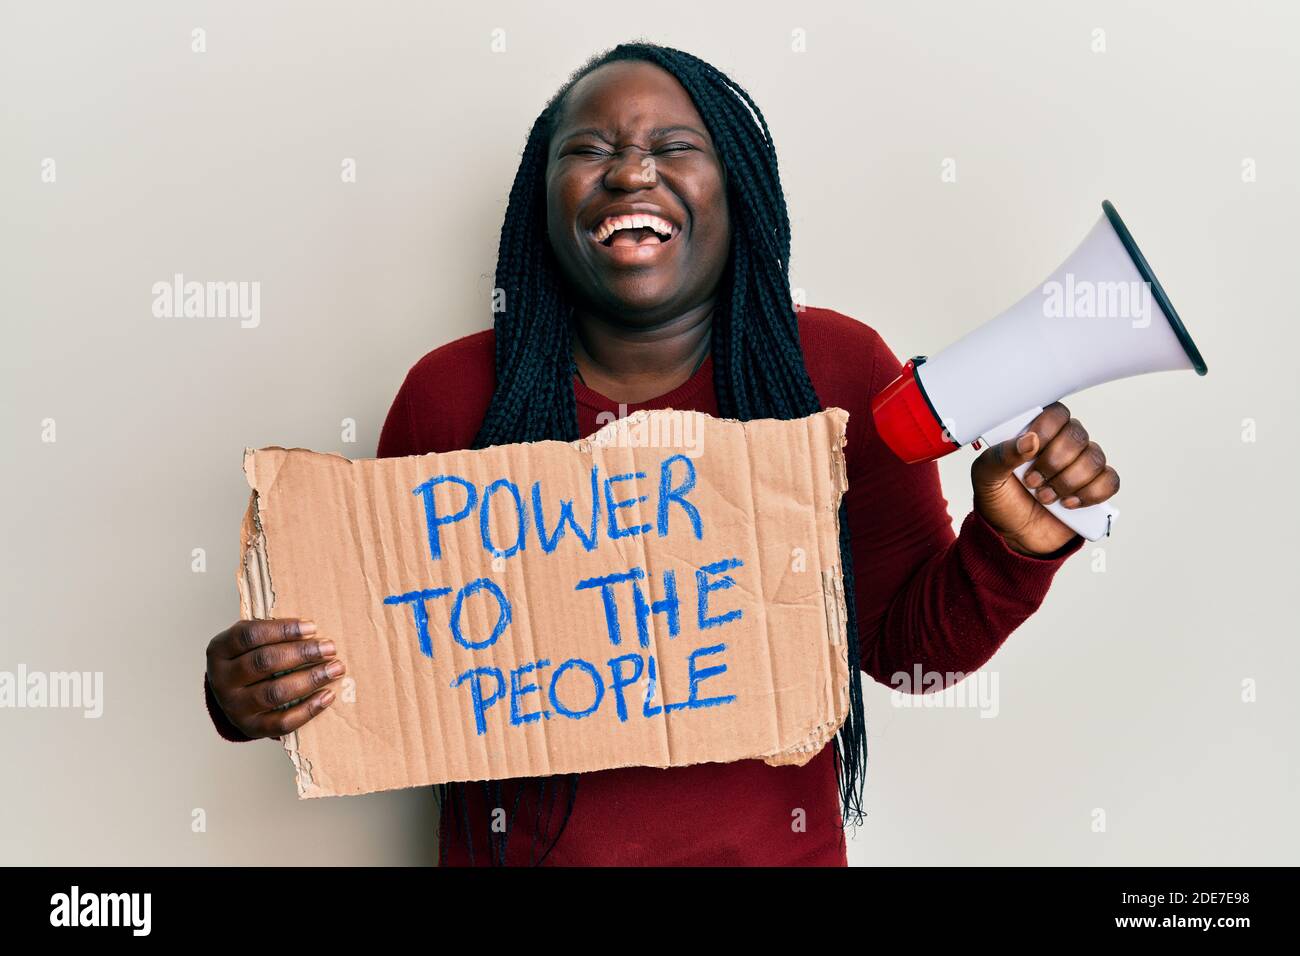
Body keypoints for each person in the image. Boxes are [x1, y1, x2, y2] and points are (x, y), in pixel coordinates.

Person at [203, 41, 1118, 866]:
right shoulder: (451, 397)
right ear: (542, 202)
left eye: (677, 148)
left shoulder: (836, 373)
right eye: (589, 150)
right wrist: (252, 695)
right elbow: (389, 670)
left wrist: (1013, 546)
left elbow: (911, 653)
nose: (629, 170)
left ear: (738, 188)